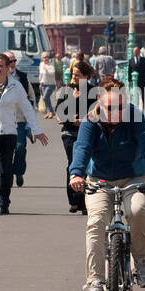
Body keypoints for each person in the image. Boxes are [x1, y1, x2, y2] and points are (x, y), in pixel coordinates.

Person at [69, 80, 145, 291]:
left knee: (137, 210)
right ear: (99, 104)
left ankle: (141, 260)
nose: (116, 112)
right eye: (110, 107)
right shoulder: (90, 121)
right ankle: (96, 282)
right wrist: (76, 174)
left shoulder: (137, 117)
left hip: (134, 177)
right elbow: (82, 148)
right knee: (96, 221)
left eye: (121, 107)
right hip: (100, 179)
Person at [0, 53, 48, 215]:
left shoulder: (16, 86)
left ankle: (4, 201)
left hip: (9, 132)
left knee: (6, 168)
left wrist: (36, 130)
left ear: (7, 68)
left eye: (0, 66)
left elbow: (27, 108)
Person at [53, 60, 97, 214]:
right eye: (73, 74)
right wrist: (71, 119)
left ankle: (84, 202)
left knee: (86, 164)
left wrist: (84, 120)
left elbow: (97, 112)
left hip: (87, 133)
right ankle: (74, 200)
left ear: (86, 76)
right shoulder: (66, 90)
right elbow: (59, 112)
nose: (74, 77)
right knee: (73, 163)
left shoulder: (93, 91)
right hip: (69, 133)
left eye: (77, 75)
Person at [8, 53, 36, 186]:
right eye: (10, 61)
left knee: (19, 148)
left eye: (14, 60)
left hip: (20, 120)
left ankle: (18, 172)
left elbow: (31, 97)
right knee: (5, 151)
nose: (12, 63)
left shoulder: (22, 78)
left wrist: (30, 120)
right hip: (3, 121)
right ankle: (7, 174)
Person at [39, 51, 59, 117]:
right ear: (42, 58)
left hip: (51, 84)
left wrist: (46, 69)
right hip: (43, 83)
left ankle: (50, 111)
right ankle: (50, 112)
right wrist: (40, 82)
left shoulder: (51, 64)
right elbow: (41, 74)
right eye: (44, 57)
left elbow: (52, 74)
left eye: (47, 57)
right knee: (46, 98)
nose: (46, 58)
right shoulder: (41, 64)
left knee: (45, 97)